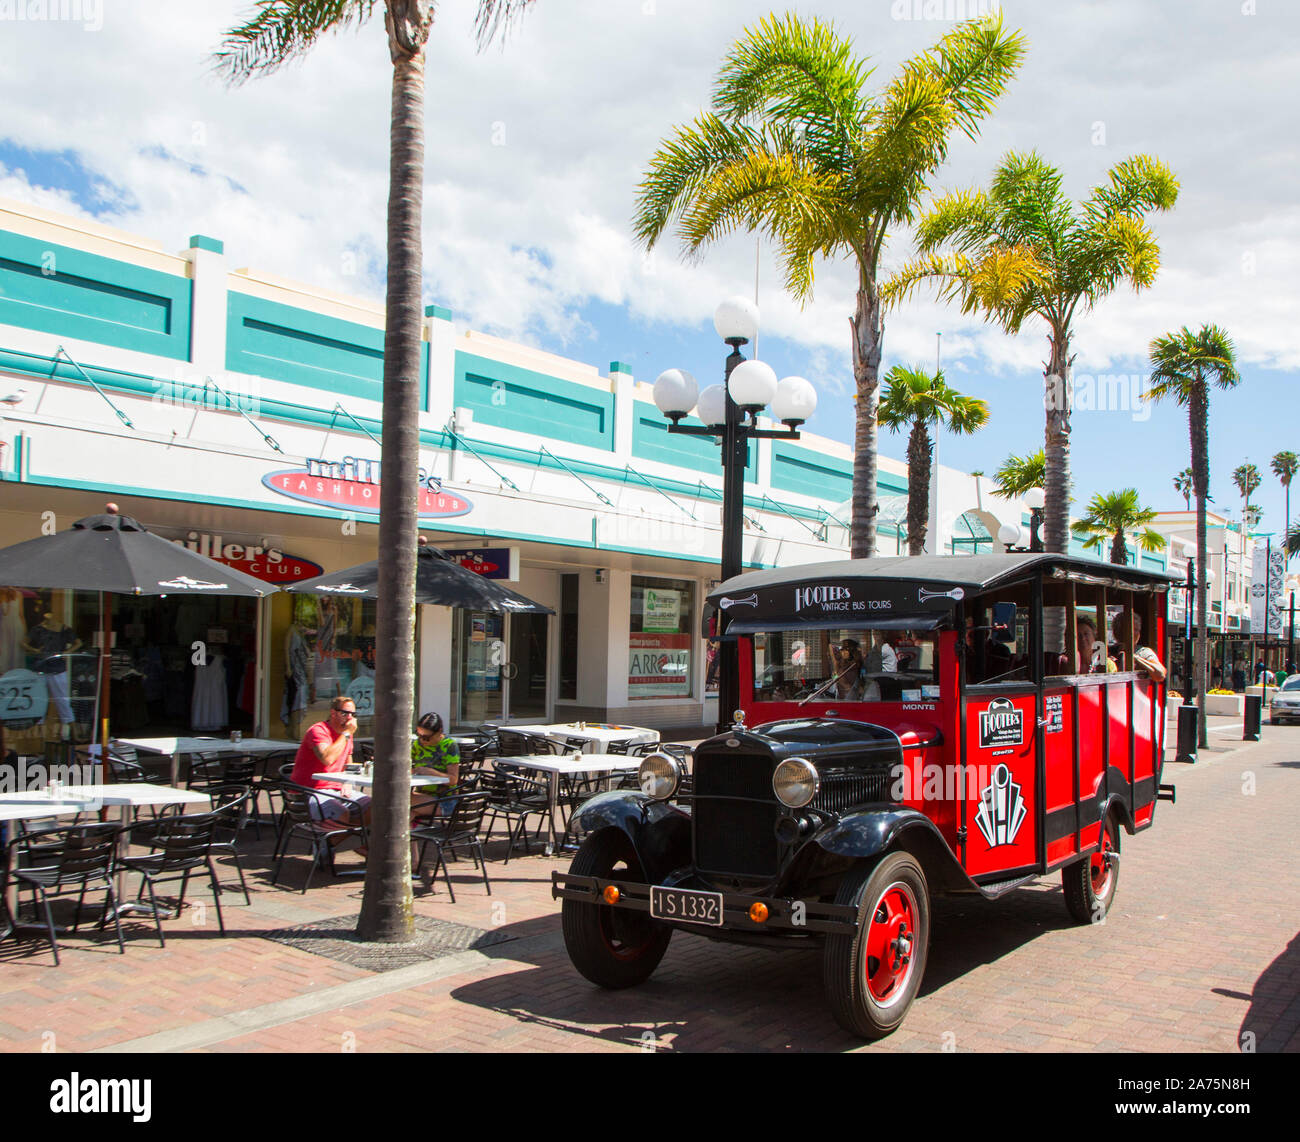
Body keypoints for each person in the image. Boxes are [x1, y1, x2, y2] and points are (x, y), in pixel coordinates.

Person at [290, 697, 369, 829]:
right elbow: (327, 759)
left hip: (337, 789)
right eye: (345, 713)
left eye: (353, 715)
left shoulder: (346, 734)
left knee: (375, 807)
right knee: (340, 812)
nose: (350, 718)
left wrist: (348, 782)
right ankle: (326, 846)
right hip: (310, 791)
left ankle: (354, 839)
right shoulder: (318, 731)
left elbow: (348, 763)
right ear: (333, 713)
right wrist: (346, 733)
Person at [410, 712, 460, 822]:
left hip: (445, 800)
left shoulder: (449, 745)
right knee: (404, 812)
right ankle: (410, 838)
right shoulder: (417, 744)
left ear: (439, 732)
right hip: (423, 796)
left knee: (400, 801)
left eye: (427, 737)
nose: (422, 740)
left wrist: (430, 772)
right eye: (419, 735)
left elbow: (453, 780)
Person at [1111, 612, 1166, 682]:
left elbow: (1160, 675)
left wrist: (1135, 658)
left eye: (1137, 630)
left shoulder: (1143, 652)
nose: (1135, 633)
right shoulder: (1110, 651)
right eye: (1131, 629)